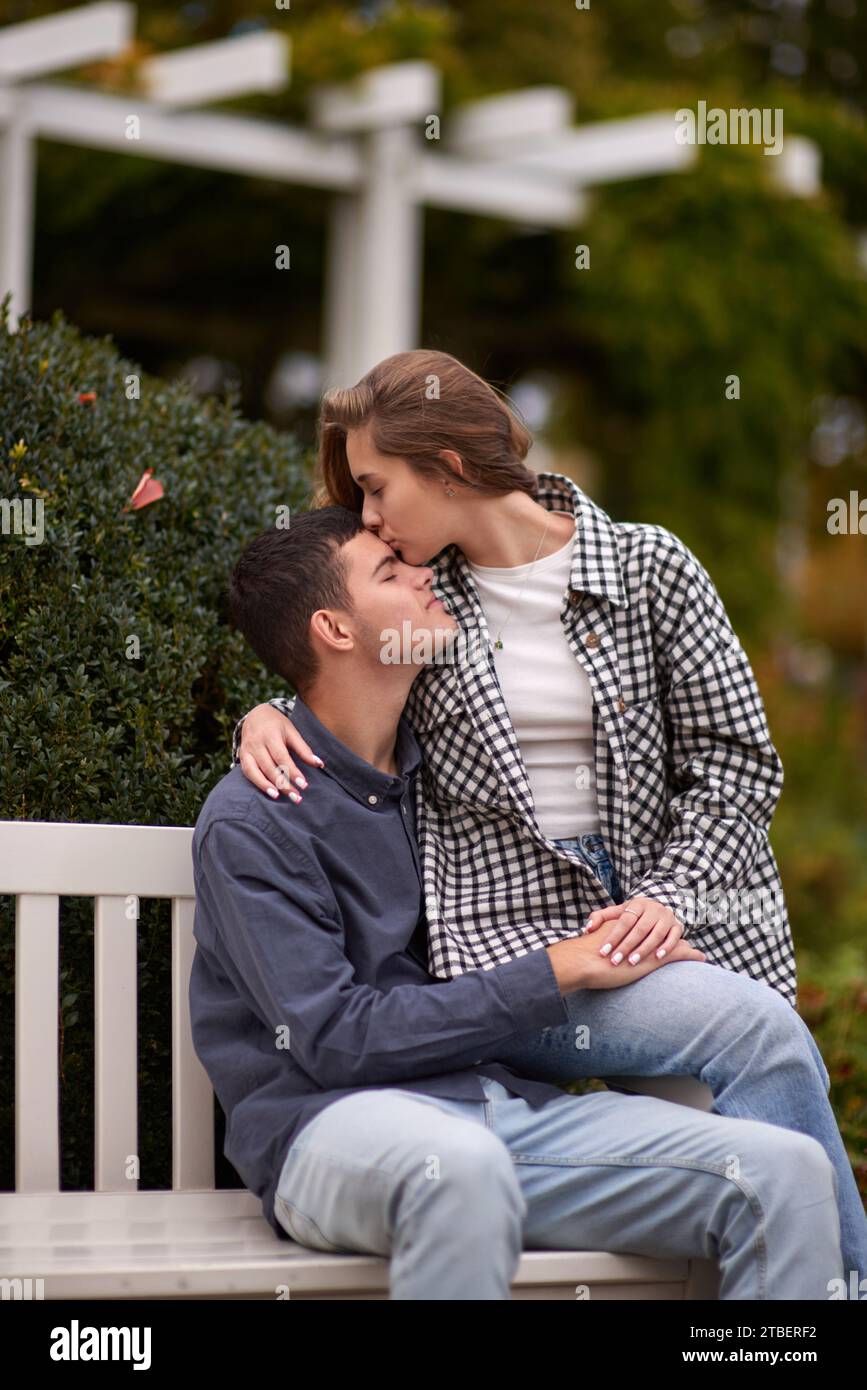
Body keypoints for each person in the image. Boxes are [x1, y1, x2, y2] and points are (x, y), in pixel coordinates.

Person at [231, 350, 867, 1282]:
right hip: (507, 962)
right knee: (752, 1033)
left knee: (759, 1107)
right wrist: (265, 714)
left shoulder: (651, 567)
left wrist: (669, 897)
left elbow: (736, 763)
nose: (365, 515)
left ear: (446, 463)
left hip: (664, 933)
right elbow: (332, 670)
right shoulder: (421, 602)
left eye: (375, 486)